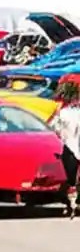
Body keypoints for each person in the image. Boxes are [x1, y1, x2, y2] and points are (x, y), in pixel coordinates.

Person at [51, 82, 80, 217]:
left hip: (68, 147)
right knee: (72, 178)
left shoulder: (63, 113)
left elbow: (53, 128)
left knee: (69, 178)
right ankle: (73, 202)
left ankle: (70, 203)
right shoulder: (71, 113)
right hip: (73, 147)